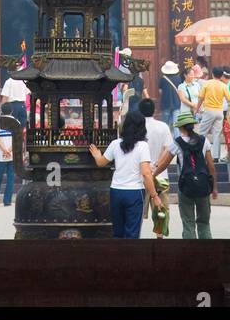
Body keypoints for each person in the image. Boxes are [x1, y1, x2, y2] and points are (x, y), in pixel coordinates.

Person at [89, 109, 162, 239]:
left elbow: (100, 163)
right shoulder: (142, 146)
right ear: (141, 127)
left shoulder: (115, 144)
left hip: (116, 191)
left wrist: (97, 154)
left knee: (118, 231)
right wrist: (154, 196)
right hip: (134, 193)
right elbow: (146, 173)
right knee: (132, 233)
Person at [155, 107, 217, 239]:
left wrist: (153, 175)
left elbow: (164, 163)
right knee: (204, 223)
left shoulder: (177, 143)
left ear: (180, 128)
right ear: (193, 126)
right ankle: (208, 253)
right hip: (203, 187)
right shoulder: (204, 141)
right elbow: (211, 167)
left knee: (188, 223)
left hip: (186, 187)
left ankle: (190, 254)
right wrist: (214, 187)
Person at [139, 99, 175, 238]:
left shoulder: (137, 127)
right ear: (154, 110)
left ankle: (136, 236)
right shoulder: (163, 126)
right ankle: (159, 237)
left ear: (139, 111)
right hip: (160, 175)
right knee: (161, 209)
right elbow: (168, 149)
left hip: (141, 174)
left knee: (137, 209)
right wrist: (157, 166)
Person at [196, 66, 229, 162]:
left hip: (209, 111)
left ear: (212, 74)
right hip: (219, 112)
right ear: (221, 75)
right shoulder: (224, 86)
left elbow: (201, 97)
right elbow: (229, 99)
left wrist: (197, 109)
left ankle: (200, 155)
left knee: (202, 133)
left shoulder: (207, 84)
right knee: (217, 135)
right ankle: (215, 157)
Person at [158, 60, 182, 130]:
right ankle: (177, 140)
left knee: (165, 125)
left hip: (166, 103)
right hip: (176, 103)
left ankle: (165, 139)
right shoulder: (178, 78)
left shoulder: (163, 79)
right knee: (176, 125)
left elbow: (160, 91)